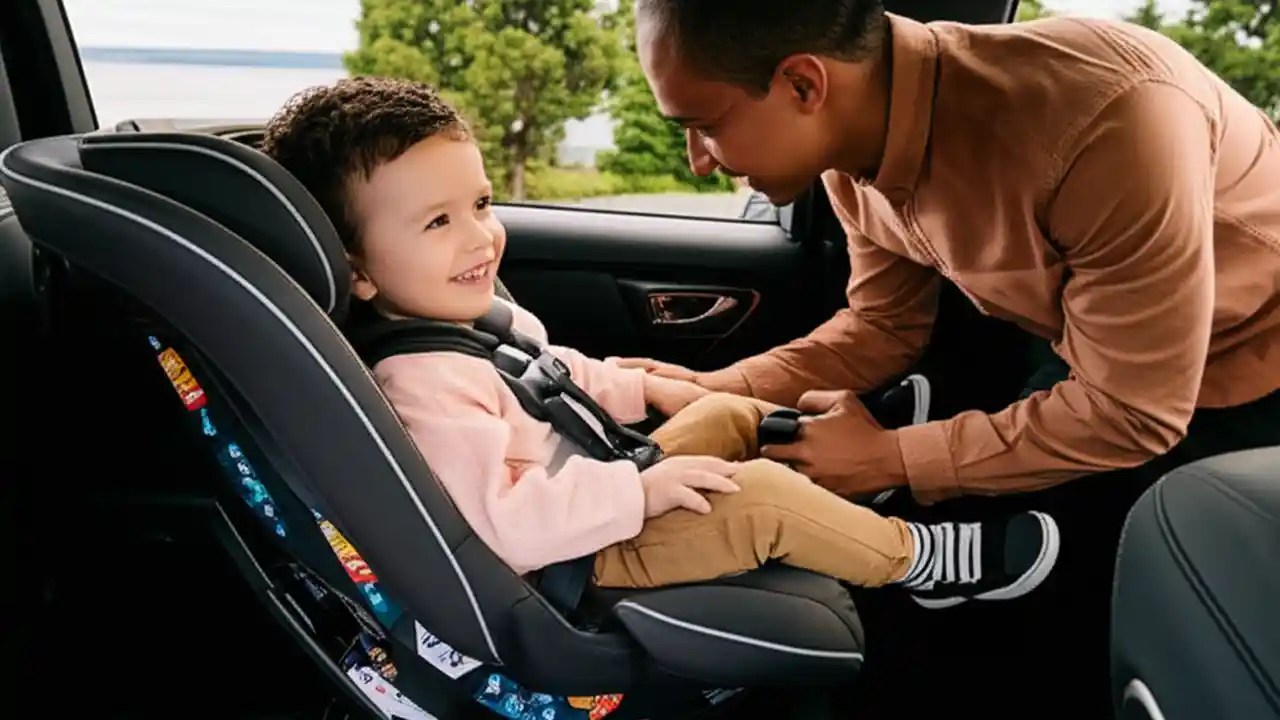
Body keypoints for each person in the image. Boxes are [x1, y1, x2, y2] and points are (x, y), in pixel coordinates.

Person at [620, 0, 1280, 716]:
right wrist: (708, 388)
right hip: (1099, 360)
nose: (698, 158)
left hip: (1249, 382)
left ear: (804, 86)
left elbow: (1133, 413)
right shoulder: (850, 156)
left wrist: (888, 457)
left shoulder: (1107, 120)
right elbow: (882, 327)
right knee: (925, 605)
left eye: (705, 125)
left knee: (1051, 619)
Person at [256, 75, 1062, 611]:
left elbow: (552, 378)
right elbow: (504, 528)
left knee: (721, 413)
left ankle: (848, 454)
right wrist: (639, 493)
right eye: (439, 223)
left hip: (605, 486)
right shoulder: (421, 386)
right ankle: (916, 558)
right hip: (586, 558)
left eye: (481, 202)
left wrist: (647, 391)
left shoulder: (470, 323)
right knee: (758, 502)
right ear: (356, 268)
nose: (481, 238)